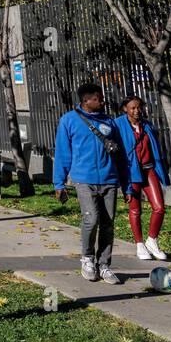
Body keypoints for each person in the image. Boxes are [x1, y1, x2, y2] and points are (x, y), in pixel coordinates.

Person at [53, 82, 124, 284]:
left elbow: (120, 156)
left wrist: (125, 183)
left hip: (109, 179)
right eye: (98, 98)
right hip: (83, 179)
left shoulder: (110, 122)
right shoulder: (68, 121)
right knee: (91, 219)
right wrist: (59, 184)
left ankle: (104, 265)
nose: (102, 101)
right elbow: (62, 154)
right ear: (86, 101)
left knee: (108, 224)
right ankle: (87, 258)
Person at [115, 96, 169, 260]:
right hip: (131, 173)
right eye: (132, 108)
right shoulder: (118, 125)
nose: (137, 111)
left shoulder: (147, 125)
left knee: (159, 207)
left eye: (139, 107)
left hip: (149, 169)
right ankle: (139, 244)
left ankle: (152, 240)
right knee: (135, 210)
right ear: (125, 109)